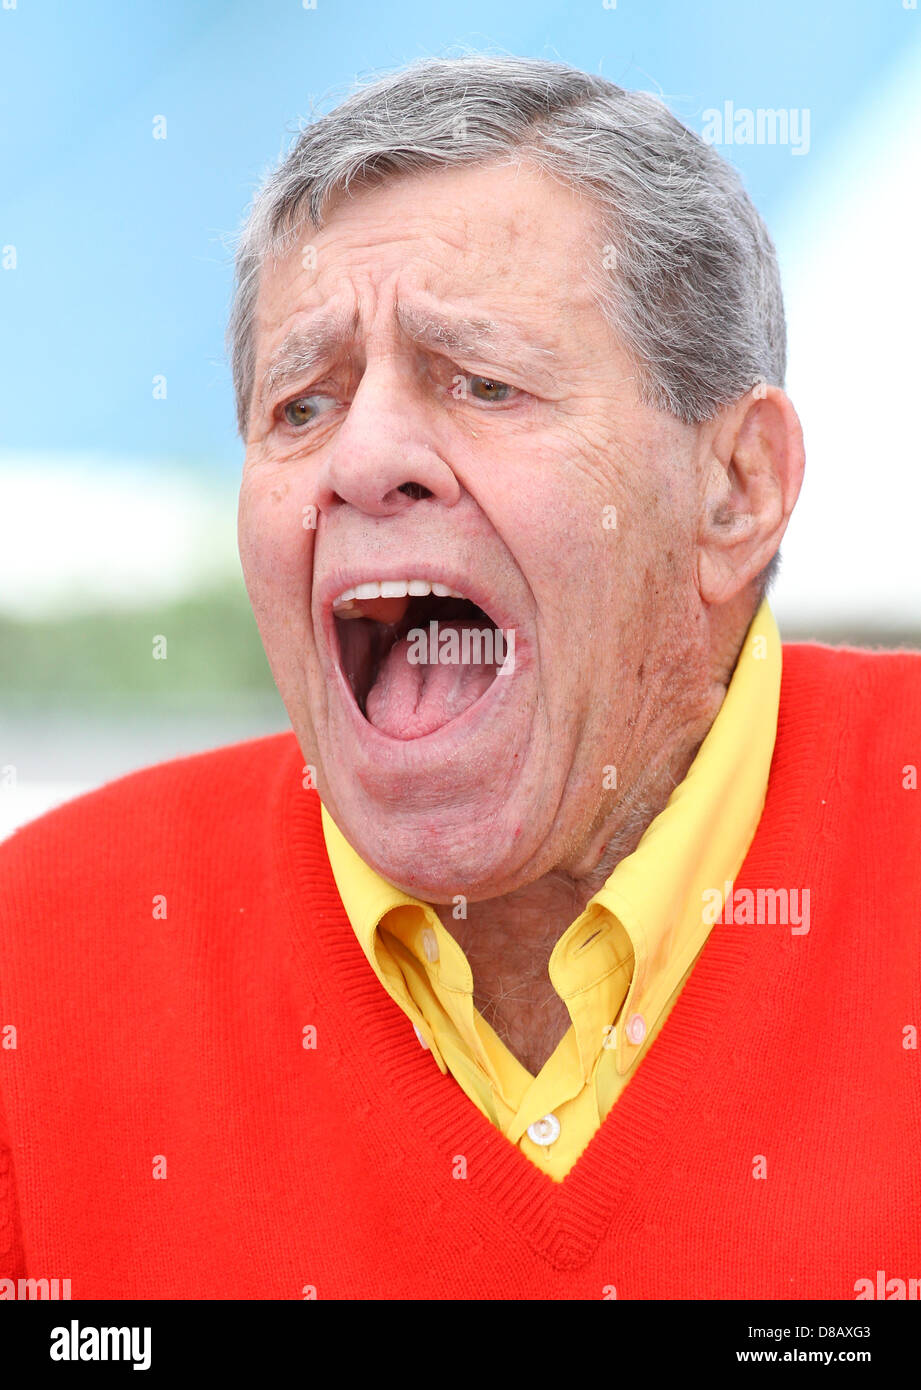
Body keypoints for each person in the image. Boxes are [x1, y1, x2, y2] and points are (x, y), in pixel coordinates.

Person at [2, 55, 919, 1301]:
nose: (366, 458)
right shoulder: (36, 960)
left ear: (735, 488)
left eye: (483, 381)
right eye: (301, 407)